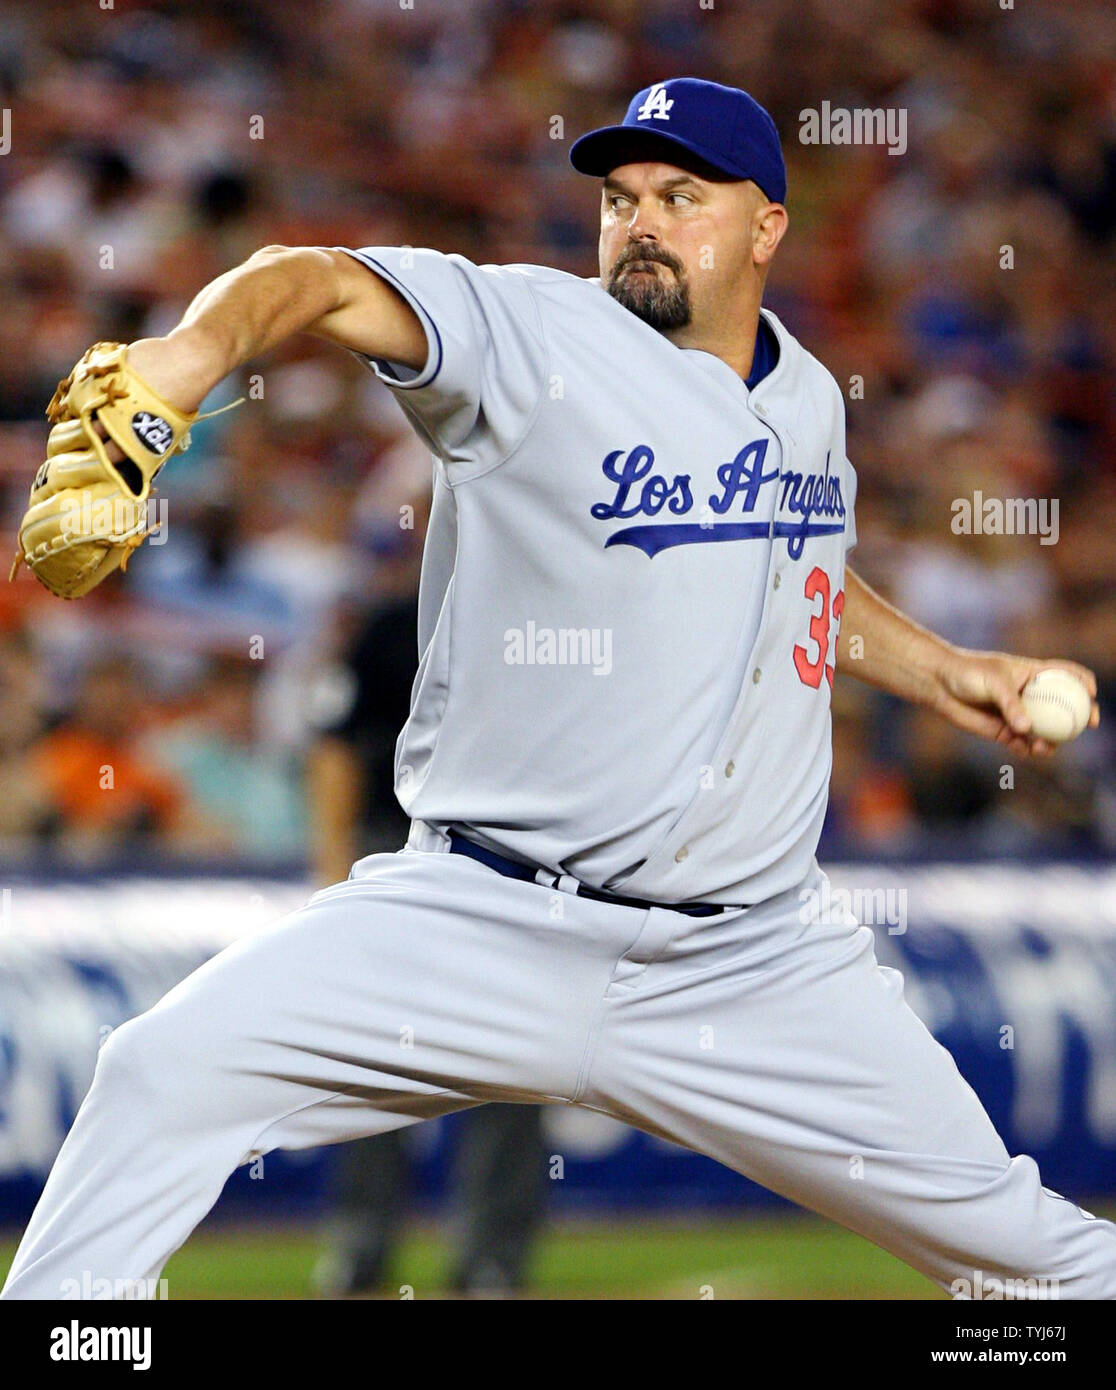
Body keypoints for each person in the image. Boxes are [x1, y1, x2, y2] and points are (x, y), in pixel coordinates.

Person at [4, 78, 1112, 1301]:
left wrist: (947, 666)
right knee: (159, 1075)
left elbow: (797, 568)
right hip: (481, 918)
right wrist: (180, 362)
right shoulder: (528, 336)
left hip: (751, 963)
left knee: (1037, 1263)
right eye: (620, 198)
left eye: (681, 197)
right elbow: (310, 276)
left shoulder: (805, 397)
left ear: (768, 228)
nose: (640, 221)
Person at [307, 505, 545, 1296]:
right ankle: (361, 1246)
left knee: (510, 1067)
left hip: (511, 855)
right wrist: (334, 869)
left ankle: (491, 1261)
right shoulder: (388, 623)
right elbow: (337, 745)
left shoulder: (543, 621)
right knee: (382, 1060)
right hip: (396, 844)